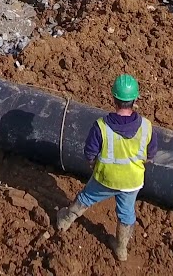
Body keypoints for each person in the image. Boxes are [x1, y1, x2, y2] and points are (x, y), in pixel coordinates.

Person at [54, 74, 155, 262]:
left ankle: (64, 221)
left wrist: (94, 165)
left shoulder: (101, 126)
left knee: (85, 198)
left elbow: (90, 153)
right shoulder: (147, 127)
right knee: (126, 212)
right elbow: (150, 155)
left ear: (113, 98)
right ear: (135, 99)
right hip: (132, 181)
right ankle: (121, 248)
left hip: (106, 178)